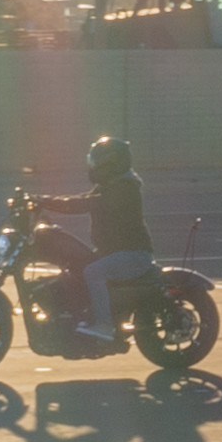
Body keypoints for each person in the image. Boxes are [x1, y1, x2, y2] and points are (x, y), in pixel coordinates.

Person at [32, 134, 154, 348]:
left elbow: (86, 204)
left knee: (93, 272)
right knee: (75, 268)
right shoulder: (110, 185)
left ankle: (104, 326)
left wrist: (46, 202)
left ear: (111, 164)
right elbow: (82, 199)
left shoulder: (125, 189)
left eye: (97, 163)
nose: (93, 167)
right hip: (113, 254)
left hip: (133, 256)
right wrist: (40, 201)